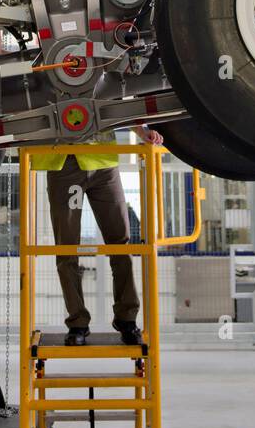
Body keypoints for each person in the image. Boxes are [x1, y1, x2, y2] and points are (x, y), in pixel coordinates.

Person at [33, 126, 163, 346]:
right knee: (67, 249)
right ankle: (77, 323)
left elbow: (115, 99)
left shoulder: (101, 88)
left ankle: (126, 319)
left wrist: (141, 131)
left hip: (103, 161)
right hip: (64, 162)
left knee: (121, 245)